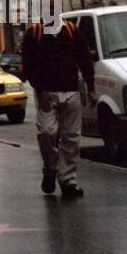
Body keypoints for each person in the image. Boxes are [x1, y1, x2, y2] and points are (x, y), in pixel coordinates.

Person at [22, 15, 96, 198]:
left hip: (71, 90)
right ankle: (50, 169)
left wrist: (91, 86)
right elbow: (28, 64)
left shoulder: (71, 30)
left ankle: (68, 180)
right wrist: (40, 90)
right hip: (46, 93)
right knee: (47, 133)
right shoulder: (34, 32)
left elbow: (84, 58)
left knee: (71, 137)